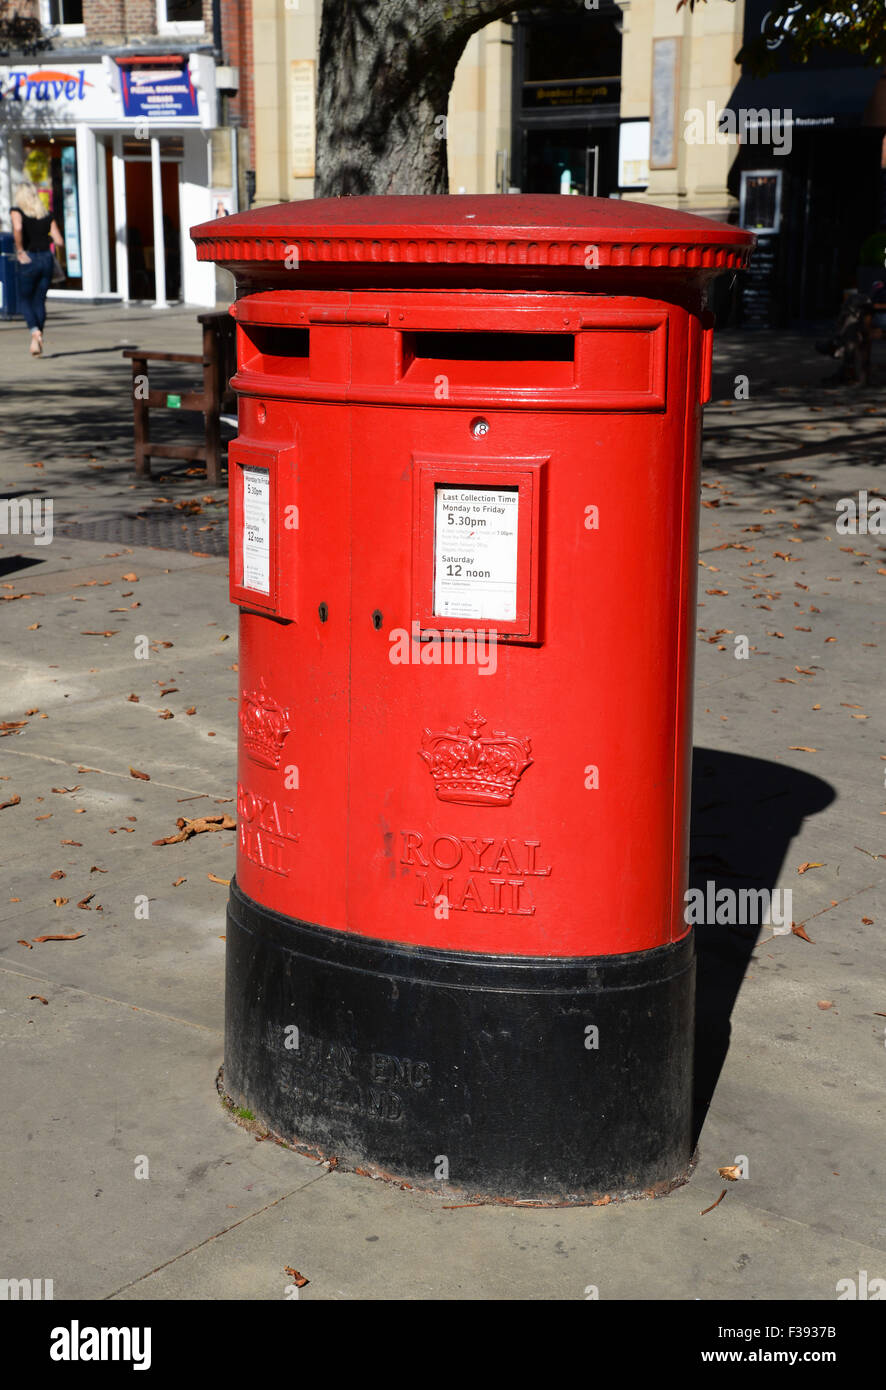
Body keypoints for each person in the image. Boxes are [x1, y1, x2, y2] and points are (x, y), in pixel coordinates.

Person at [10, 181, 64, 358]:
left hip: (29, 257)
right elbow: (59, 241)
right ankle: (37, 336)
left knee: (25, 299)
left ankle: (35, 332)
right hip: (46, 259)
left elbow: (17, 228)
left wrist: (19, 250)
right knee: (39, 301)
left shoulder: (17, 212)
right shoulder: (46, 215)